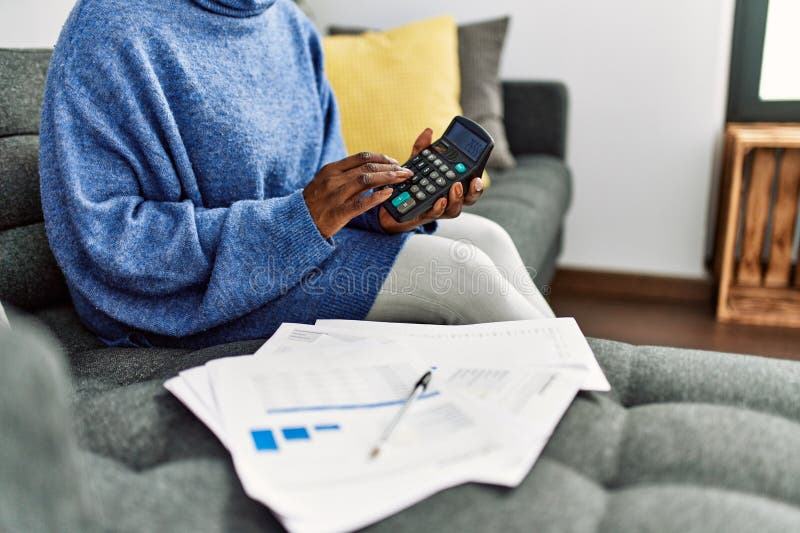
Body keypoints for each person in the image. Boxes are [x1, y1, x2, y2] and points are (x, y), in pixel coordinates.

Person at [39, 0, 553, 349]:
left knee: (489, 238)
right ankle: (583, 410)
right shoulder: (111, 29)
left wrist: (379, 214)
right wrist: (299, 220)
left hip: (289, 253)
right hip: (180, 297)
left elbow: (320, 197)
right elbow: (108, 242)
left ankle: (580, 404)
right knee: (463, 273)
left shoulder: (290, 24)